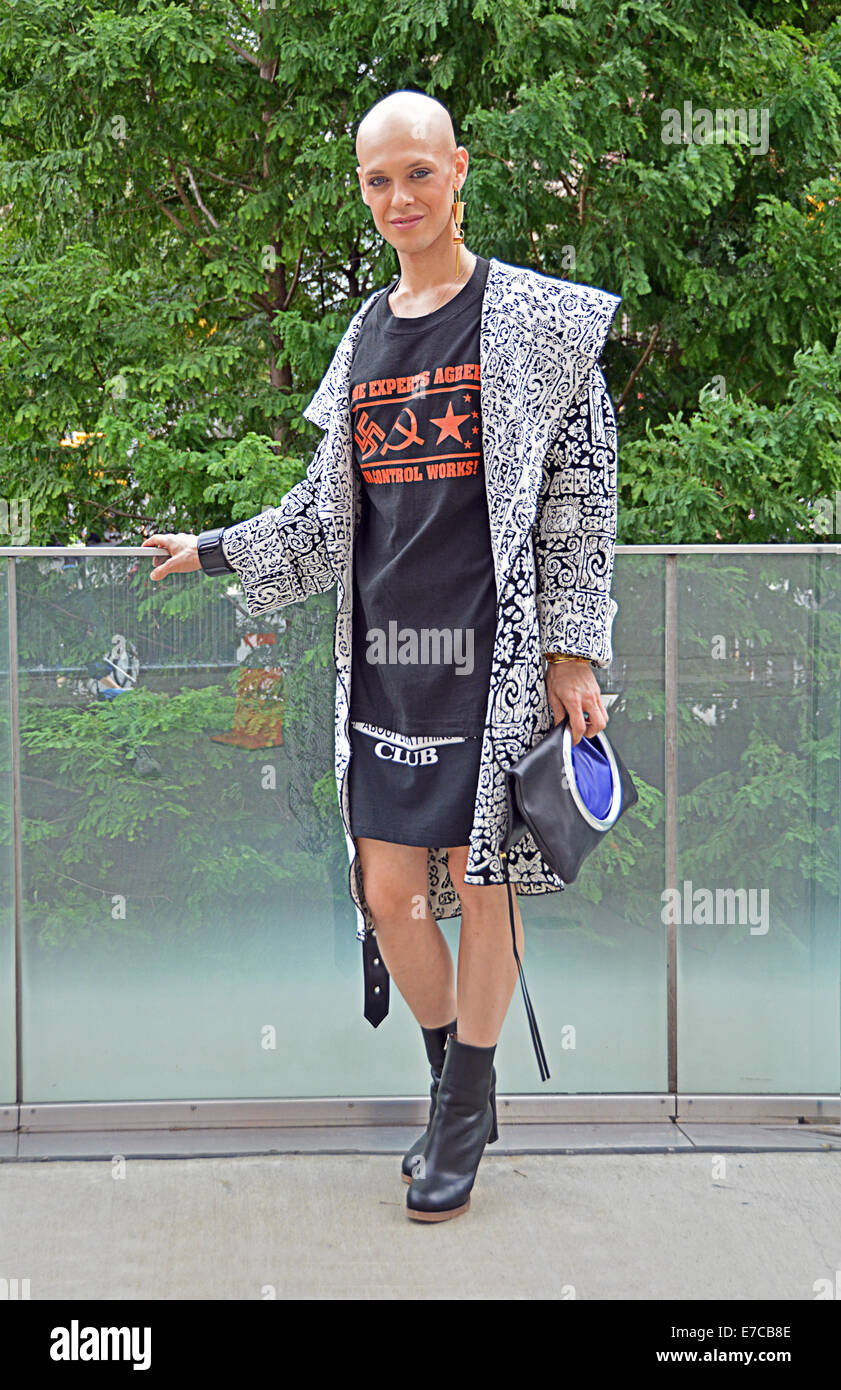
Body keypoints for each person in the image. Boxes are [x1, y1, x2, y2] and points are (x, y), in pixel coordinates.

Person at [142, 89, 621, 1223]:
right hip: (386, 659)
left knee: (489, 877)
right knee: (389, 888)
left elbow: (581, 502)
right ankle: (462, 1075)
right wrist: (212, 549)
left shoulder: (537, 323)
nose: (397, 197)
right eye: (375, 180)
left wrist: (571, 653)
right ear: (361, 189)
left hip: (494, 659)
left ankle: (458, 1113)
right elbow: (322, 515)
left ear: (459, 170)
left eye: (417, 172)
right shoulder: (363, 331)